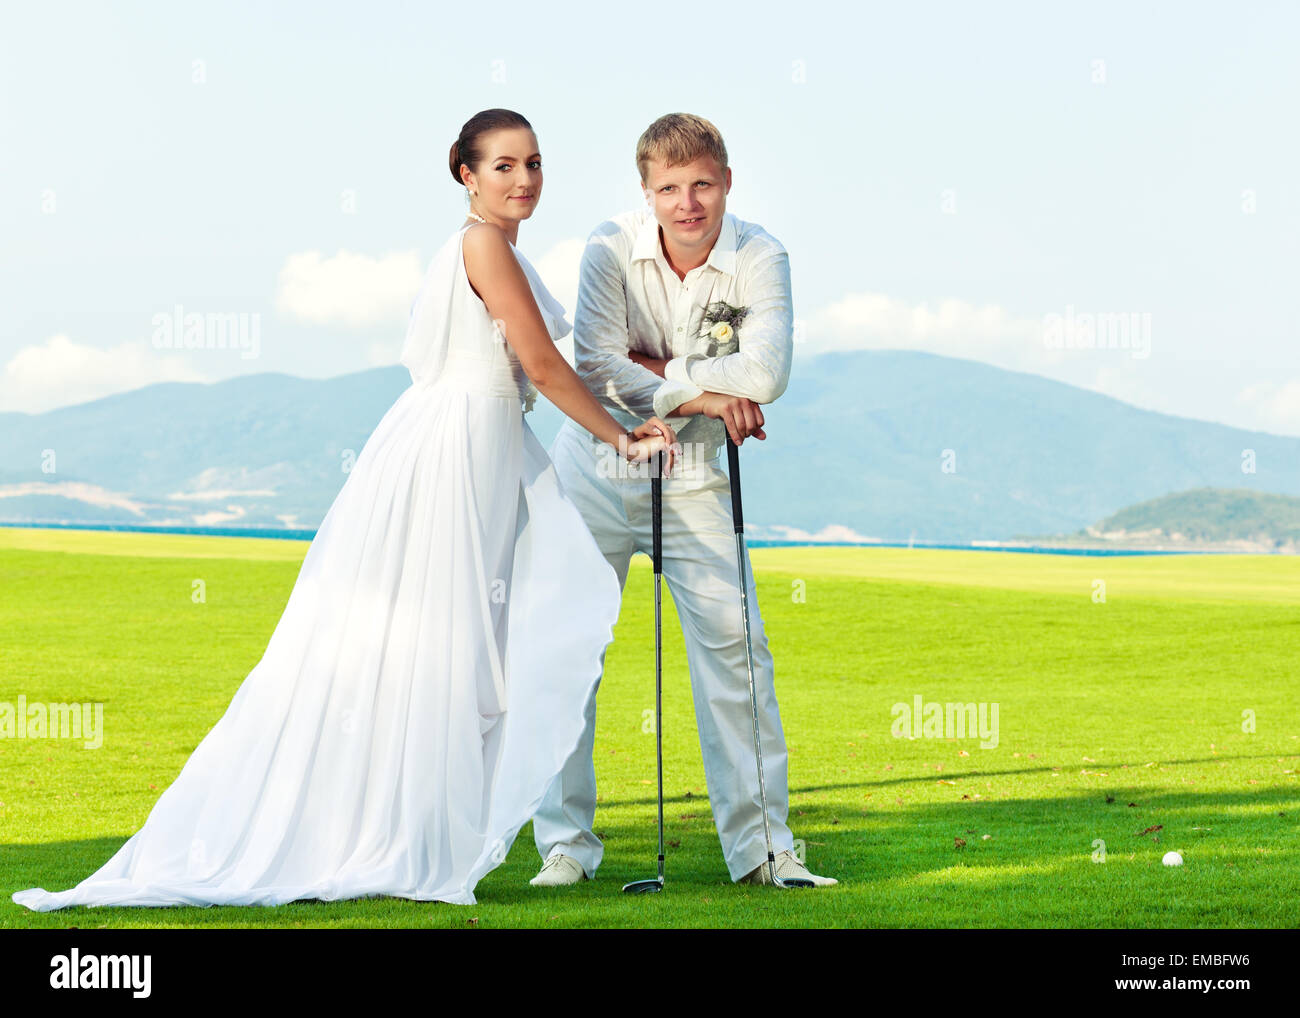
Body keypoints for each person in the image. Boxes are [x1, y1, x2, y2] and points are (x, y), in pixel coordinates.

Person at [11, 108, 677, 911]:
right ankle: (400, 837)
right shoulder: (482, 245)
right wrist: (619, 437)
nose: (524, 179)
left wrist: (646, 384)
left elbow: (548, 364)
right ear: (466, 175)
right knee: (442, 642)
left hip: (482, 444)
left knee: (462, 643)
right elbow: (538, 359)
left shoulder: (494, 247)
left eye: (533, 163)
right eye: (502, 166)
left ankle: (420, 828)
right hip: (457, 452)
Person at [530, 113, 836, 888]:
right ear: (647, 192)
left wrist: (658, 367)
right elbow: (595, 367)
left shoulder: (762, 256)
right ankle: (564, 846)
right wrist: (700, 391)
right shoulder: (607, 245)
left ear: (727, 181)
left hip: (698, 477)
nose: (687, 203)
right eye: (669, 188)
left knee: (737, 655)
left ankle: (764, 851)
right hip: (597, 465)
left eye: (701, 183)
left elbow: (766, 376)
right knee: (565, 650)